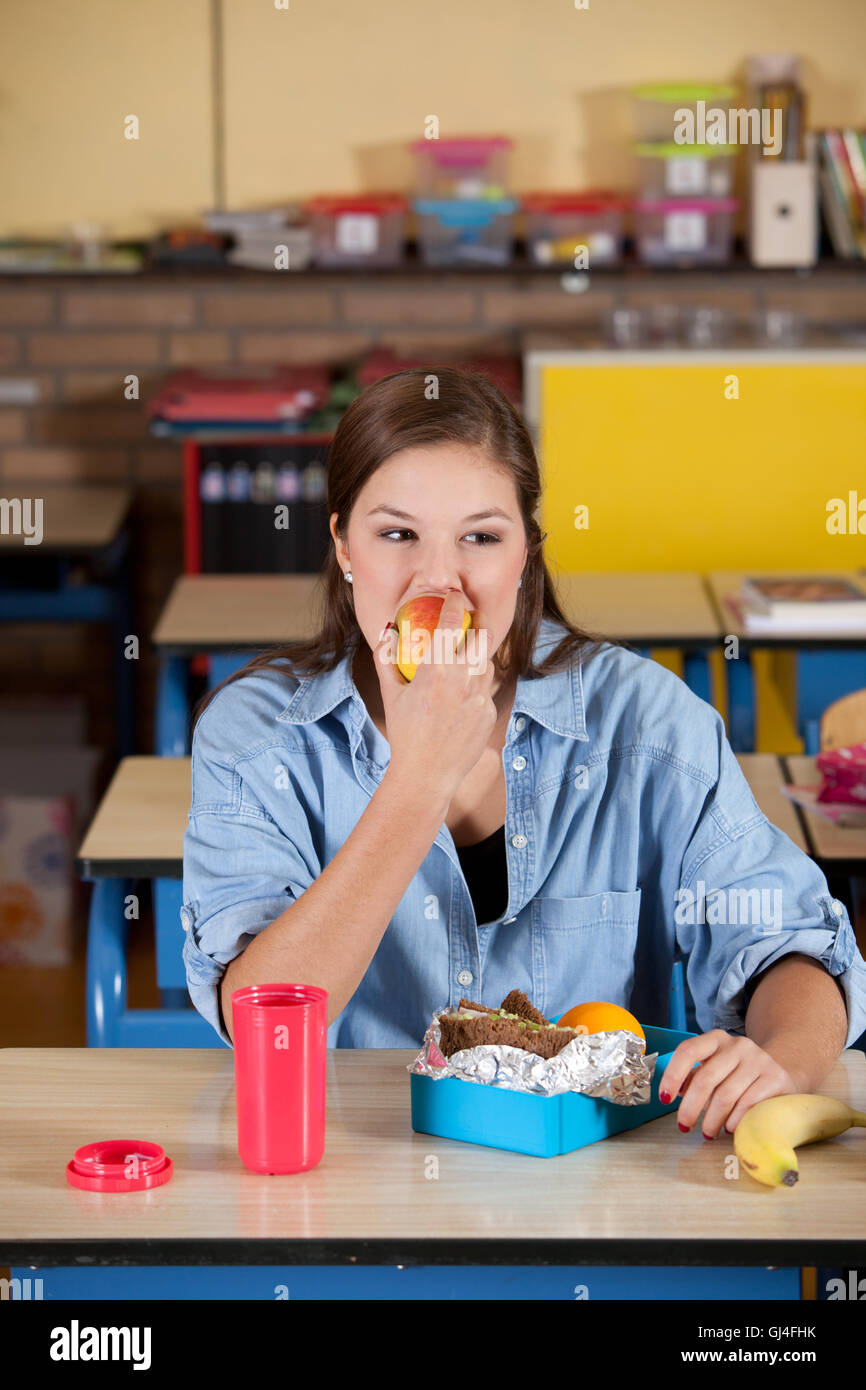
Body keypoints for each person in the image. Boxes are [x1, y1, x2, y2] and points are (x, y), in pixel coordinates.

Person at [182, 366, 866, 1141]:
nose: (440, 579)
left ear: (526, 555)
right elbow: (262, 1020)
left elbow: (786, 944)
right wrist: (421, 775)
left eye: (481, 536)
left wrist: (786, 1058)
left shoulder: (646, 721)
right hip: (353, 1176)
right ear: (343, 546)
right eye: (397, 534)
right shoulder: (255, 736)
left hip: (595, 1191)